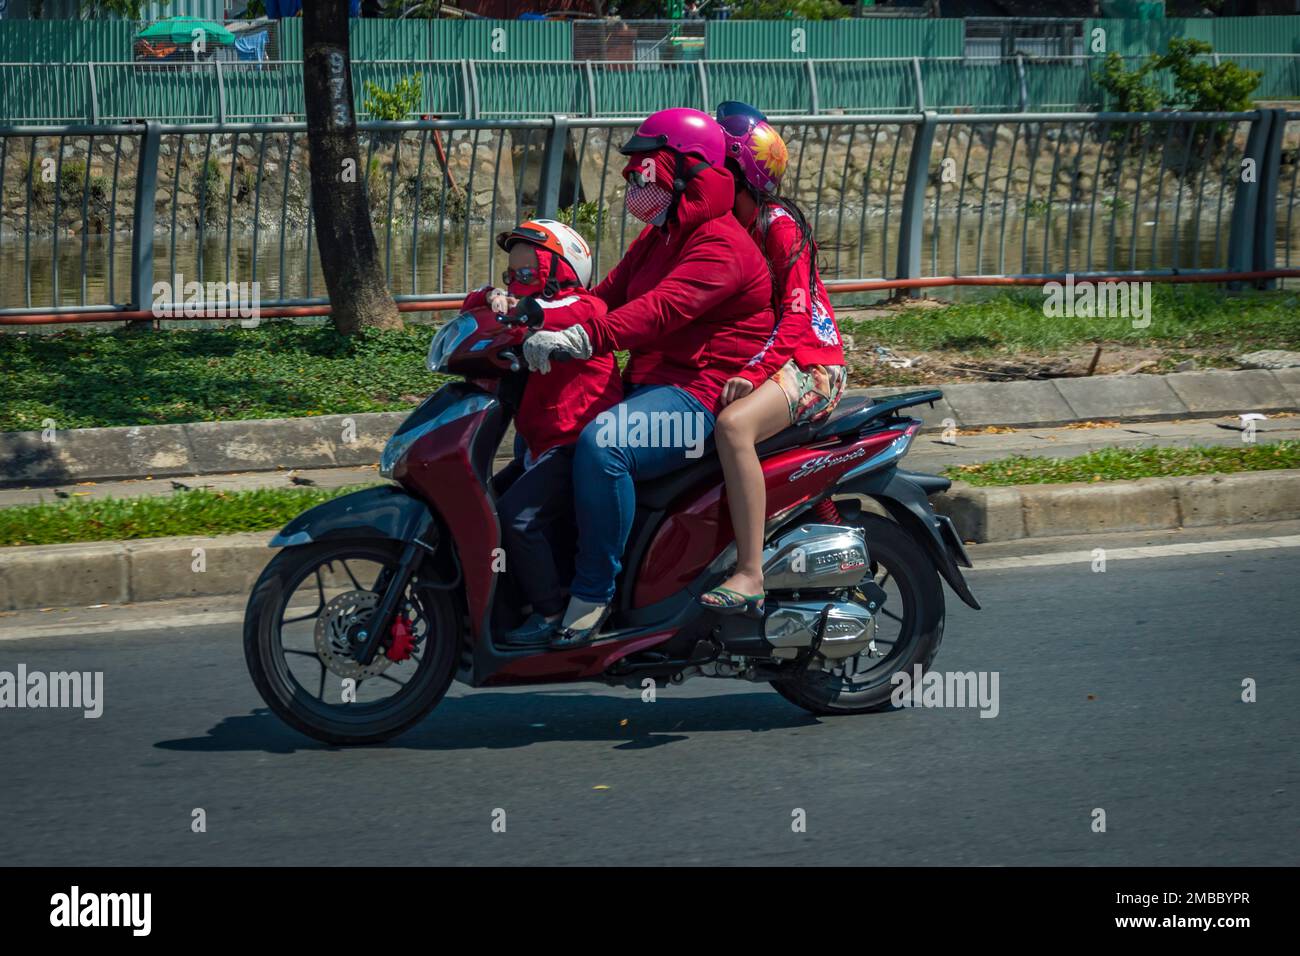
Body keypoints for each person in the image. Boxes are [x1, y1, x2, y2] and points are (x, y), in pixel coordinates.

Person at [521, 108, 776, 649]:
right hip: (652, 388)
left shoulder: (721, 244)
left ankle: (593, 595)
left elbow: (660, 310)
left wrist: (585, 338)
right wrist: (534, 313)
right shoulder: (660, 237)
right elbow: (603, 297)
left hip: (700, 400)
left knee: (604, 445)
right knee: (555, 436)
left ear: (686, 174)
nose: (634, 183)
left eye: (644, 172)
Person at [698, 102, 847, 616]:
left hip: (813, 366)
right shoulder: (726, 222)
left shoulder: (777, 226)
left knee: (734, 427)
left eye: (714, 165)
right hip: (778, 358)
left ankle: (750, 572)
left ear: (735, 173)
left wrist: (753, 371)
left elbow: (797, 318)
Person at [464, 219, 623, 647]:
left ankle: (551, 611)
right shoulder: (529, 315)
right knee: (485, 508)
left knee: (518, 518)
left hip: (575, 445)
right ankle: (509, 601)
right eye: (510, 277)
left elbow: (563, 312)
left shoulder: (582, 310)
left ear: (562, 272)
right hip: (539, 445)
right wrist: (488, 296)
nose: (516, 285)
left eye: (527, 274)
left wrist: (520, 307)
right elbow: (473, 311)